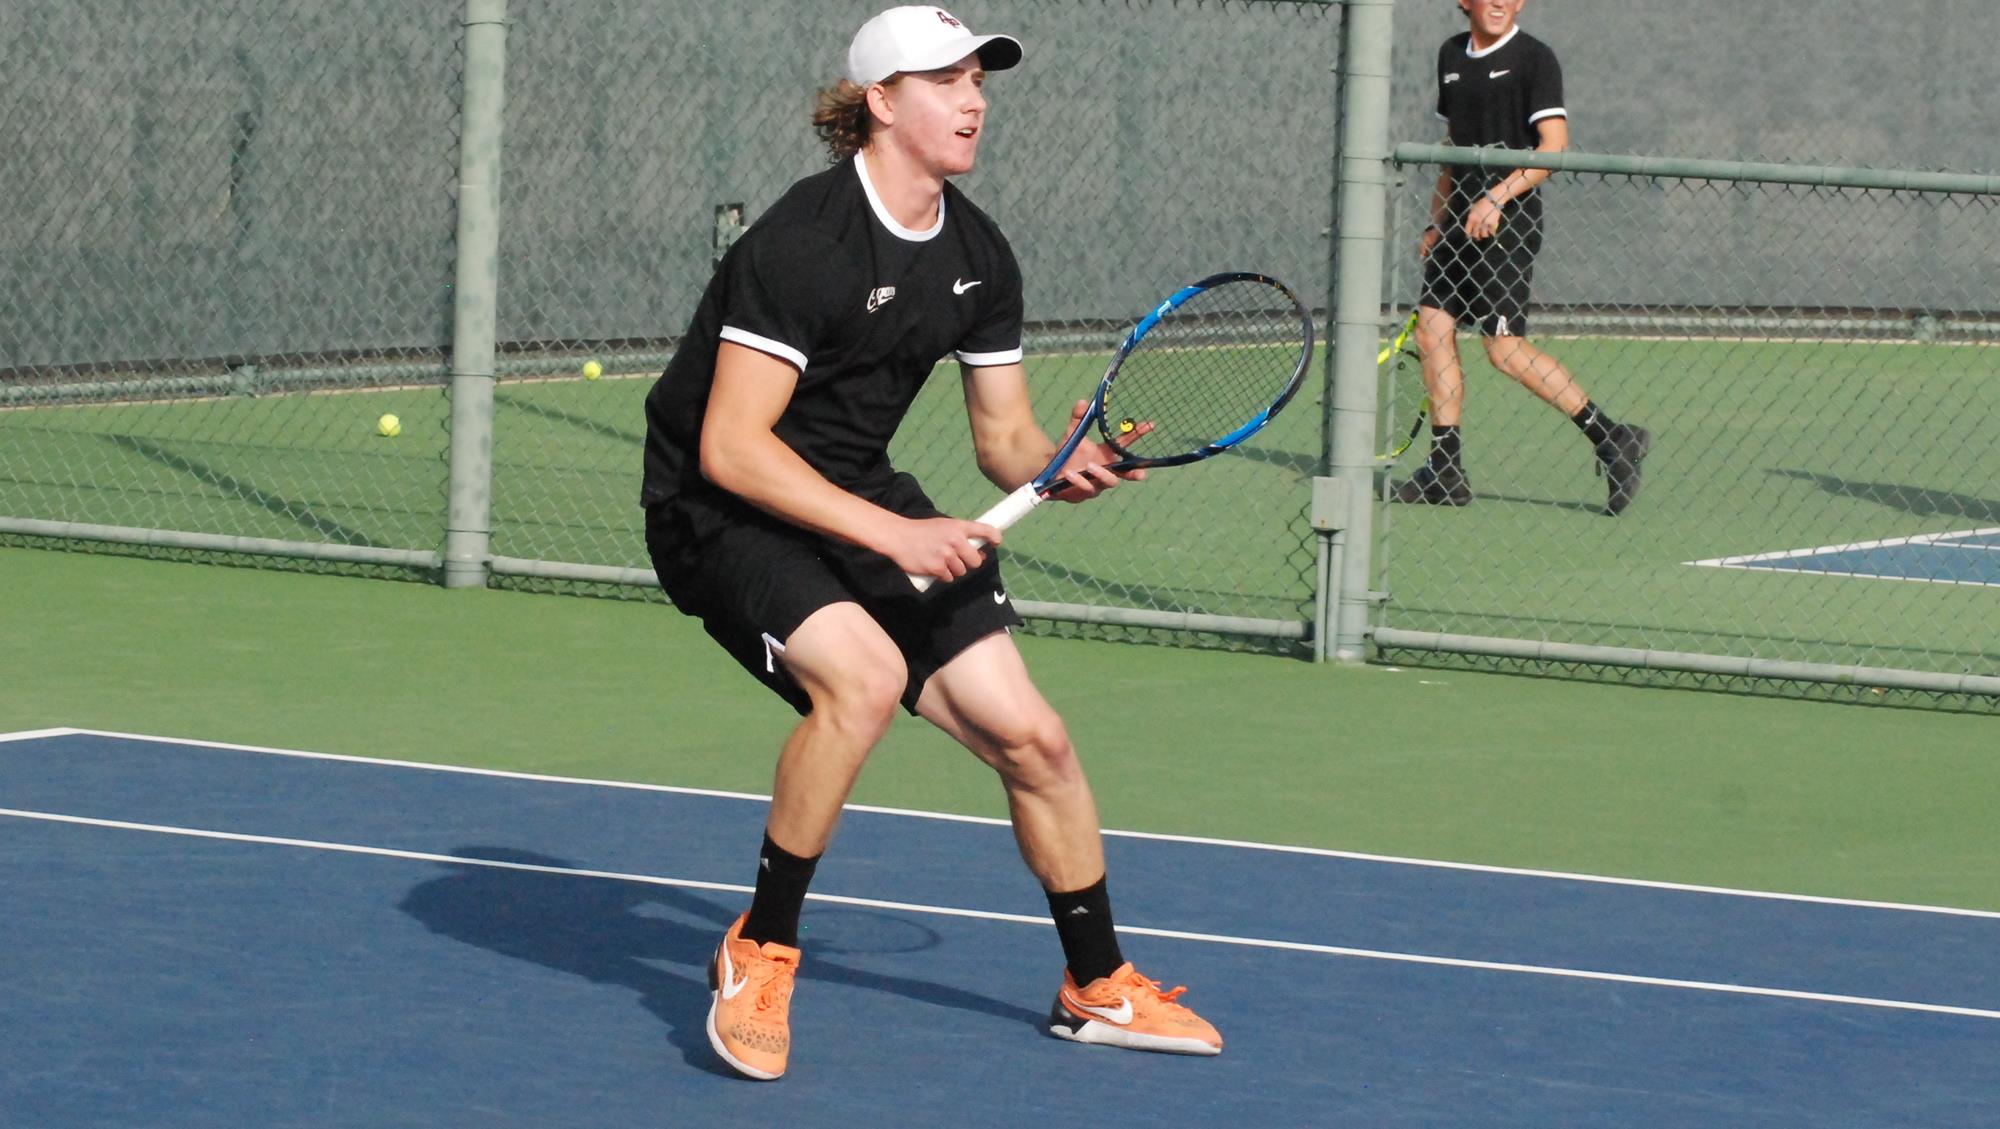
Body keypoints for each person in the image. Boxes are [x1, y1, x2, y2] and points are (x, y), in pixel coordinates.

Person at [639, 5, 1222, 1082]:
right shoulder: (802, 242)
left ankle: (1095, 984)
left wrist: (1063, 465)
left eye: (979, 82)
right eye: (947, 81)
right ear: (881, 102)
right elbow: (729, 446)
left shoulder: (976, 252)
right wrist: (898, 532)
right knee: (857, 679)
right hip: (715, 507)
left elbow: (1005, 443)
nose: (973, 101)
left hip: (853, 491)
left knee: (1032, 737)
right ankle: (760, 948)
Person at [1391, 0, 1651, 515]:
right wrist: (1437, 220)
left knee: (1504, 350)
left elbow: (1552, 149)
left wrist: (1496, 197)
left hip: (1506, 225)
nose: (1499, 1)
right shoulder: (1450, 55)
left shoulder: (1535, 59)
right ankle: (1446, 469)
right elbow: (1452, 146)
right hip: (1458, 226)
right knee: (1431, 330)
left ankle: (1611, 436)